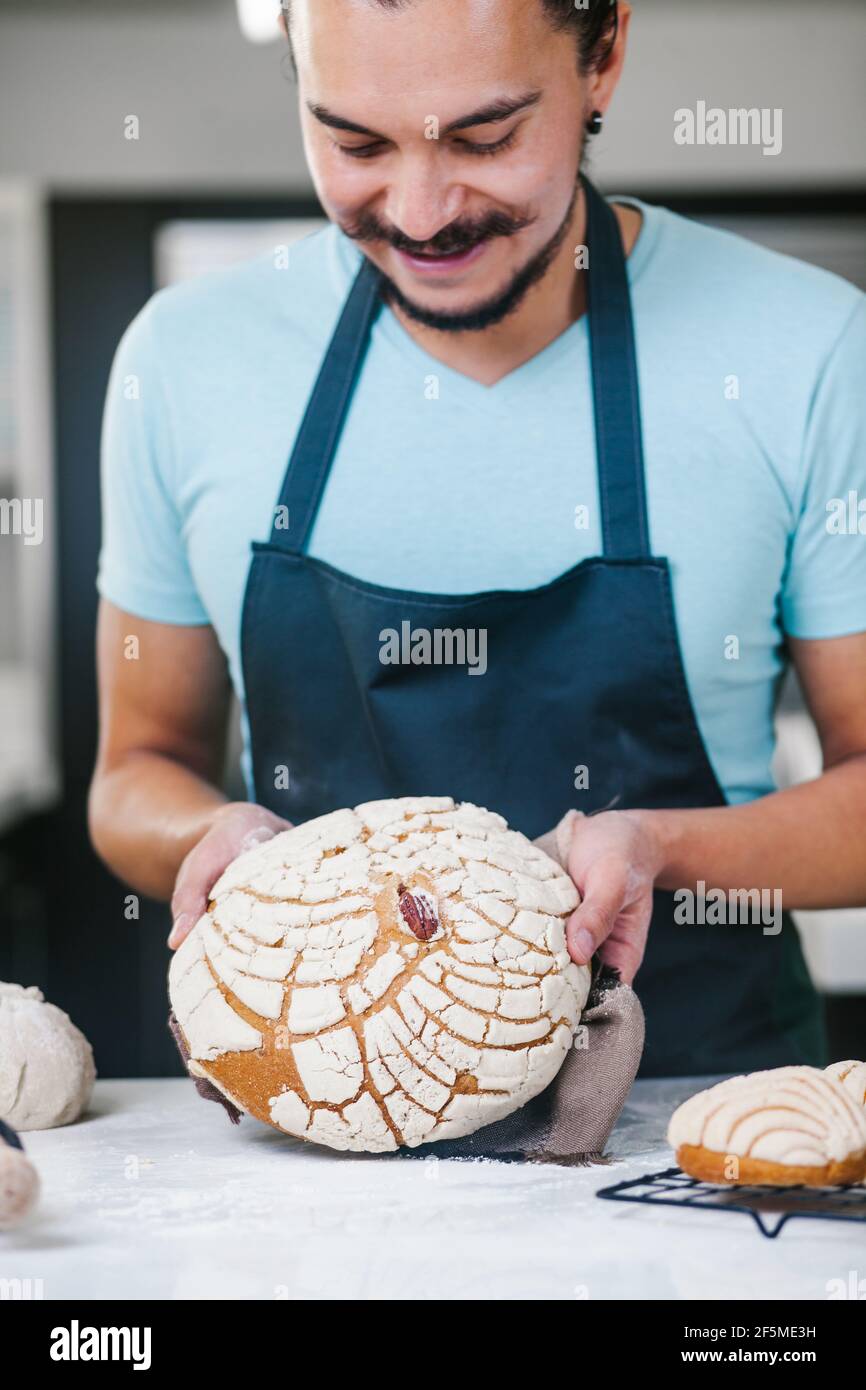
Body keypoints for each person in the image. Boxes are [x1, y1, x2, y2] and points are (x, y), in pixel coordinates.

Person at [89, 0, 866, 1077]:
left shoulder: (805, 349)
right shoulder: (183, 361)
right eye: (354, 141)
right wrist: (214, 840)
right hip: (315, 1130)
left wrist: (657, 845)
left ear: (603, 58)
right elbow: (135, 769)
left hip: (689, 1129)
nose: (418, 211)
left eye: (486, 137)